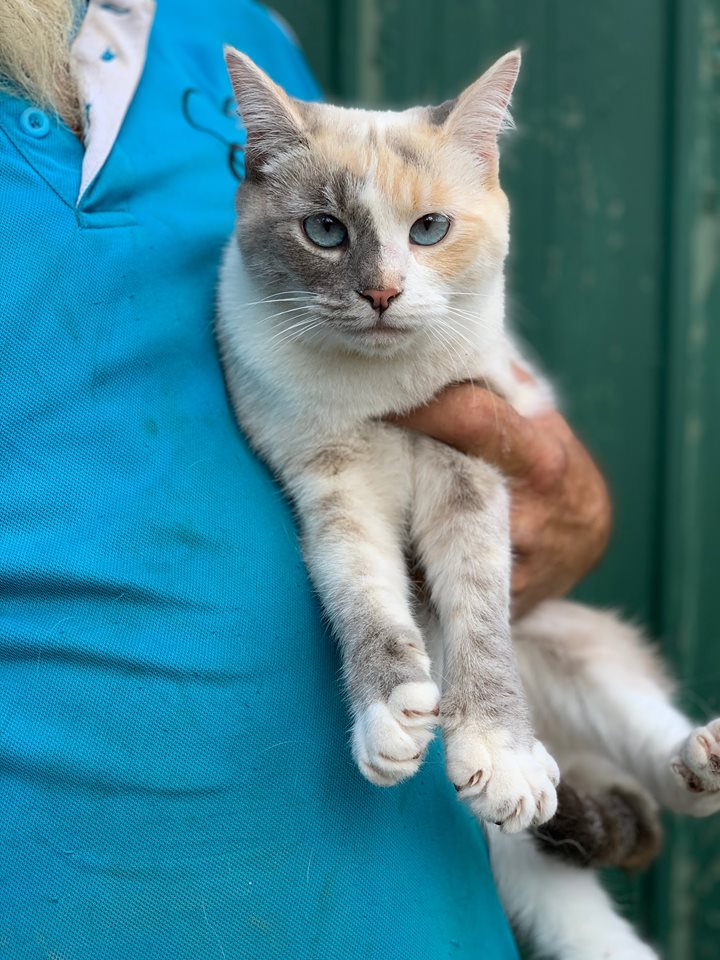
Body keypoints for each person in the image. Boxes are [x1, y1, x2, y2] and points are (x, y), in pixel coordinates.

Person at [0, 2, 610, 958]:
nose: (380, 282)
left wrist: (568, 505)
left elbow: (444, 346)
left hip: (411, 912)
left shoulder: (238, 33)